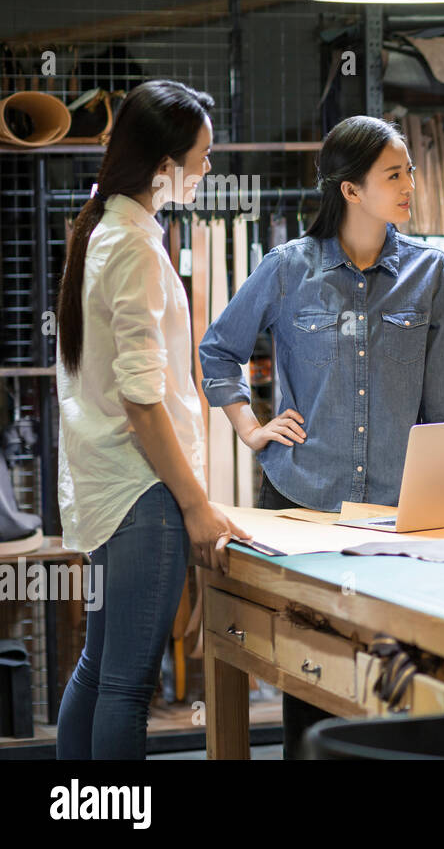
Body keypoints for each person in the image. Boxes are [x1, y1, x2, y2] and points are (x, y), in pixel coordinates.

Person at [198, 114, 444, 755]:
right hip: (302, 504)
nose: (410, 185)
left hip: (397, 512)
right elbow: (217, 351)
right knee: (311, 677)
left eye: (410, 171)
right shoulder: (289, 268)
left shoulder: (431, 272)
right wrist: (251, 428)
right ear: (350, 189)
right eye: (393, 174)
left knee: (395, 676)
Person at [55, 79, 251, 760]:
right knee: (126, 687)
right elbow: (143, 401)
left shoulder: (107, 226)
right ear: (162, 163)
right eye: (200, 155)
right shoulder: (133, 247)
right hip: (145, 493)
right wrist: (197, 506)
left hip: (114, 489)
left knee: (100, 669)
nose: (206, 169)